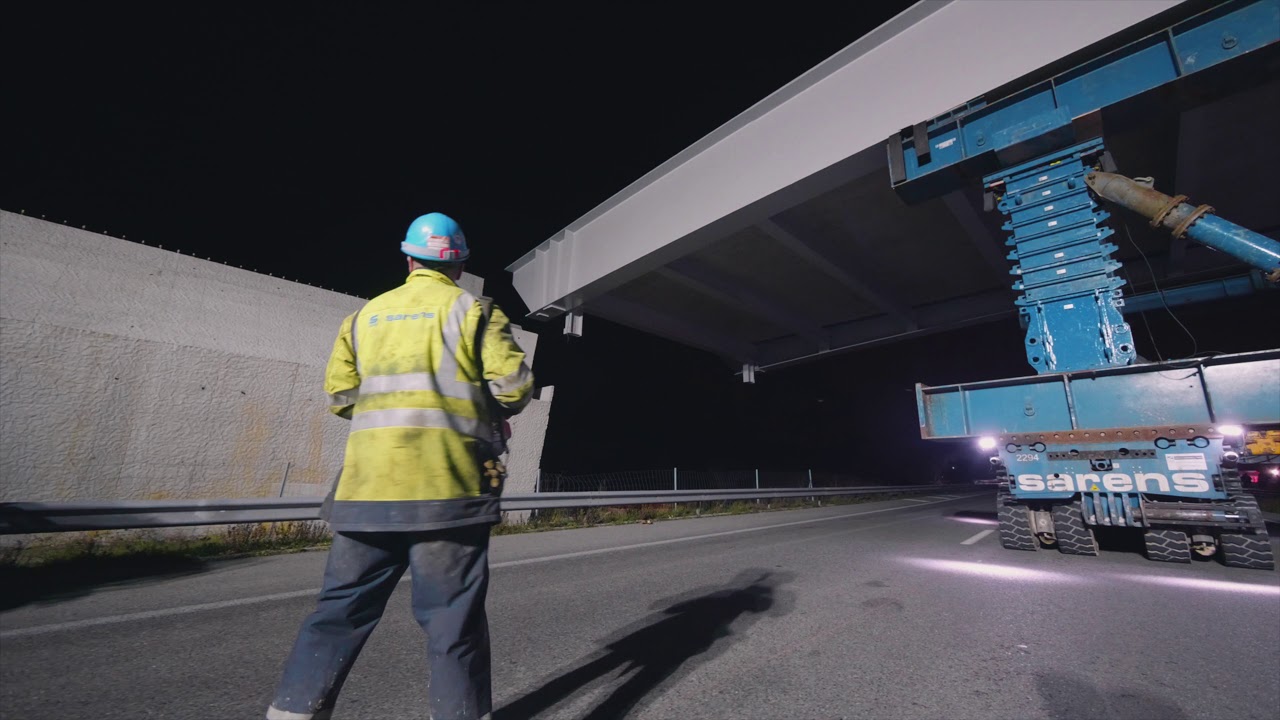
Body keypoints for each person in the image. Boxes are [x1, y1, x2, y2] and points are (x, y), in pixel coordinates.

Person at [267, 212, 535, 720]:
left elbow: (342, 396)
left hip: (365, 494)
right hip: (447, 494)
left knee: (337, 614)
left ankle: (292, 713)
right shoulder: (475, 311)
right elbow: (515, 388)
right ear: (457, 266)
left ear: (409, 259)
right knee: (452, 627)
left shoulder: (365, 316)